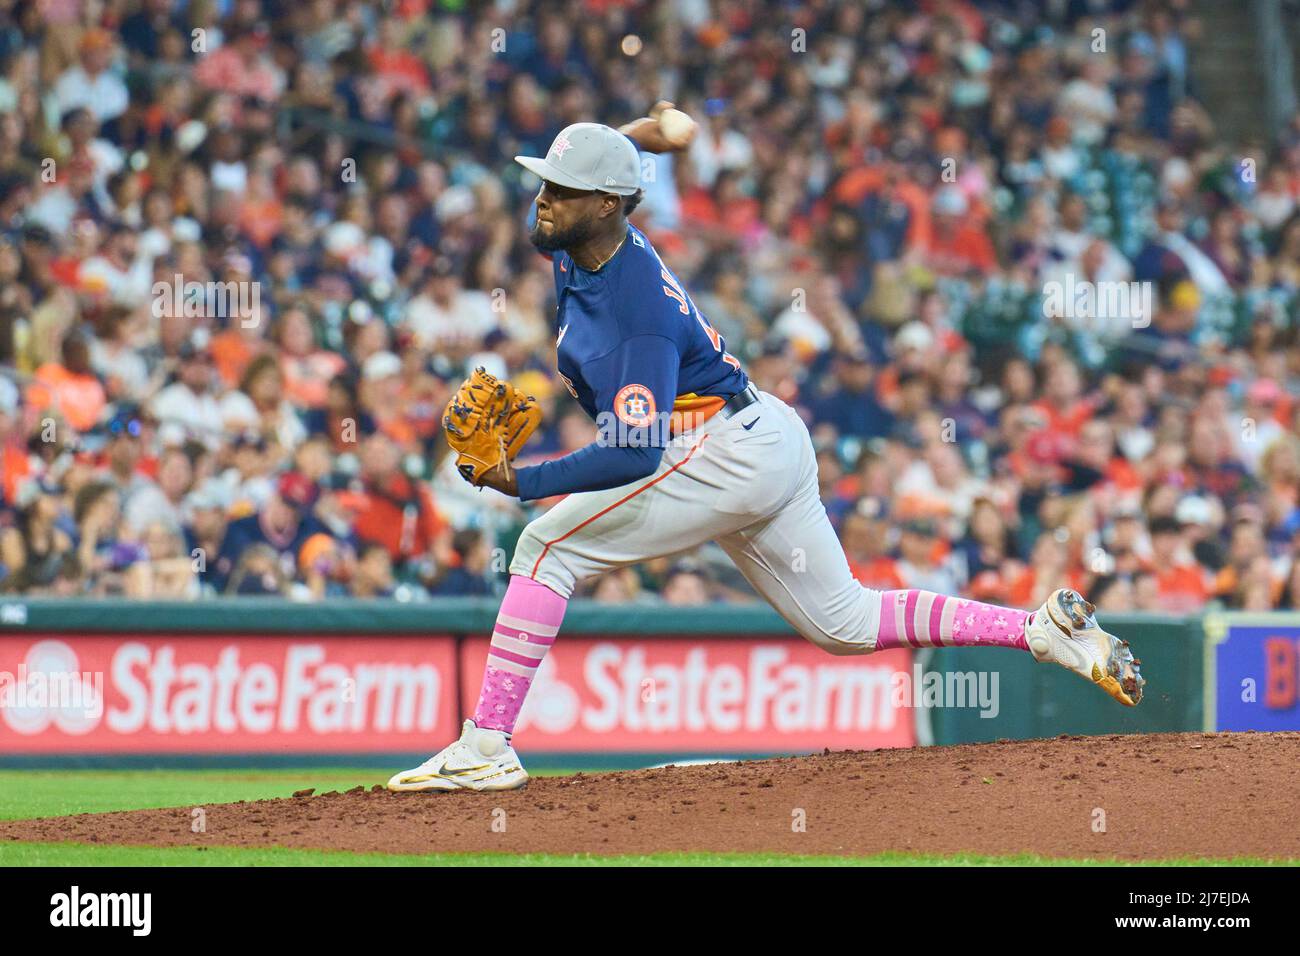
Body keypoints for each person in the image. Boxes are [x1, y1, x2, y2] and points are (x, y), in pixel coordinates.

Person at [387, 110, 1146, 793]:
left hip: (715, 451)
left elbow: (633, 456)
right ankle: (1041, 631)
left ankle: (486, 745)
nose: (543, 198)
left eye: (561, 189)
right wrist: (643, 136)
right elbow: (590, 174)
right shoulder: (589, 235)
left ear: (608, 206)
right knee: (844, 623)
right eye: (544, 184)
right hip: (763, 435)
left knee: (546, 547)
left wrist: (522, 479)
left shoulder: (635, 311)